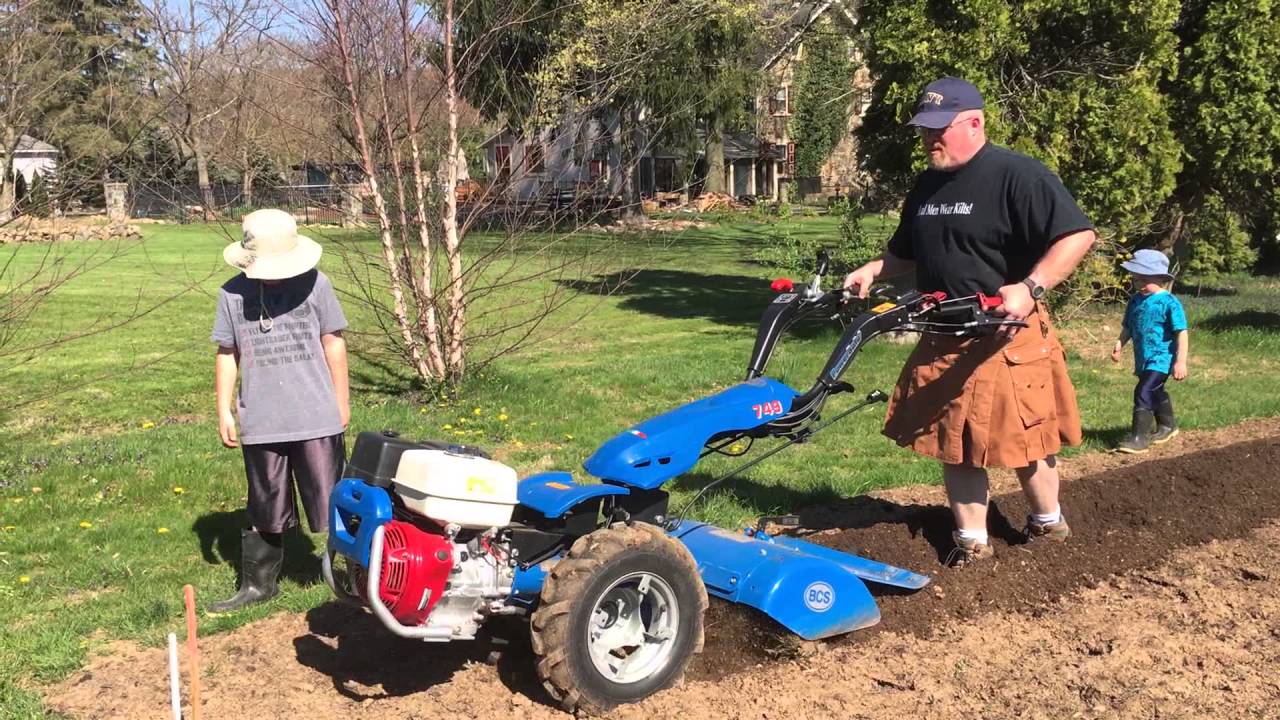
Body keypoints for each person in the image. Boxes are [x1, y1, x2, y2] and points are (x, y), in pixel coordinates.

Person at [843, 77, 1096, 567]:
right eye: (924, 131)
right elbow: (906, 253)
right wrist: (876, 269)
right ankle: (972, 542)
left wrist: (1030, 288)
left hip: (1007, 334)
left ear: (975, 123)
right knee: (954, 443)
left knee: (1028, 438)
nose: (930, 139)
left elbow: (1077, 235)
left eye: (940, 129)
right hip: (946, 332)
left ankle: (1048, 523)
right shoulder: (926, 186)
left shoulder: (1017, 175)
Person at [209, 208, 350, 611]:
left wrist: (341, 401)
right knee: (264, 504)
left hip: (316, 416)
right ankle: (259, 584)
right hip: (261, 419)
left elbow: (334, 343)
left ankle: (354, 573)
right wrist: (224, 409)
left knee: (335, 502)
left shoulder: (317, 285)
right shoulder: (231, 295)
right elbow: (226, 353)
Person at [1110, 249, 1189, 453]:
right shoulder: (1135, 300)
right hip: (1143, 358)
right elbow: (1128, 326)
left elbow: (1182, 332)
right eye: (1136, 280)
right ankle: (1167, 426)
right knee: (1155, 390)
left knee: (1143, 391)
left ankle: (1139, 438)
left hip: (1162, 358)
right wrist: (1119, 344)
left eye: (1145, 280)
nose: (1140, 285)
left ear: (1161, 278)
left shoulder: (1169, 302)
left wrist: (1180, 362)